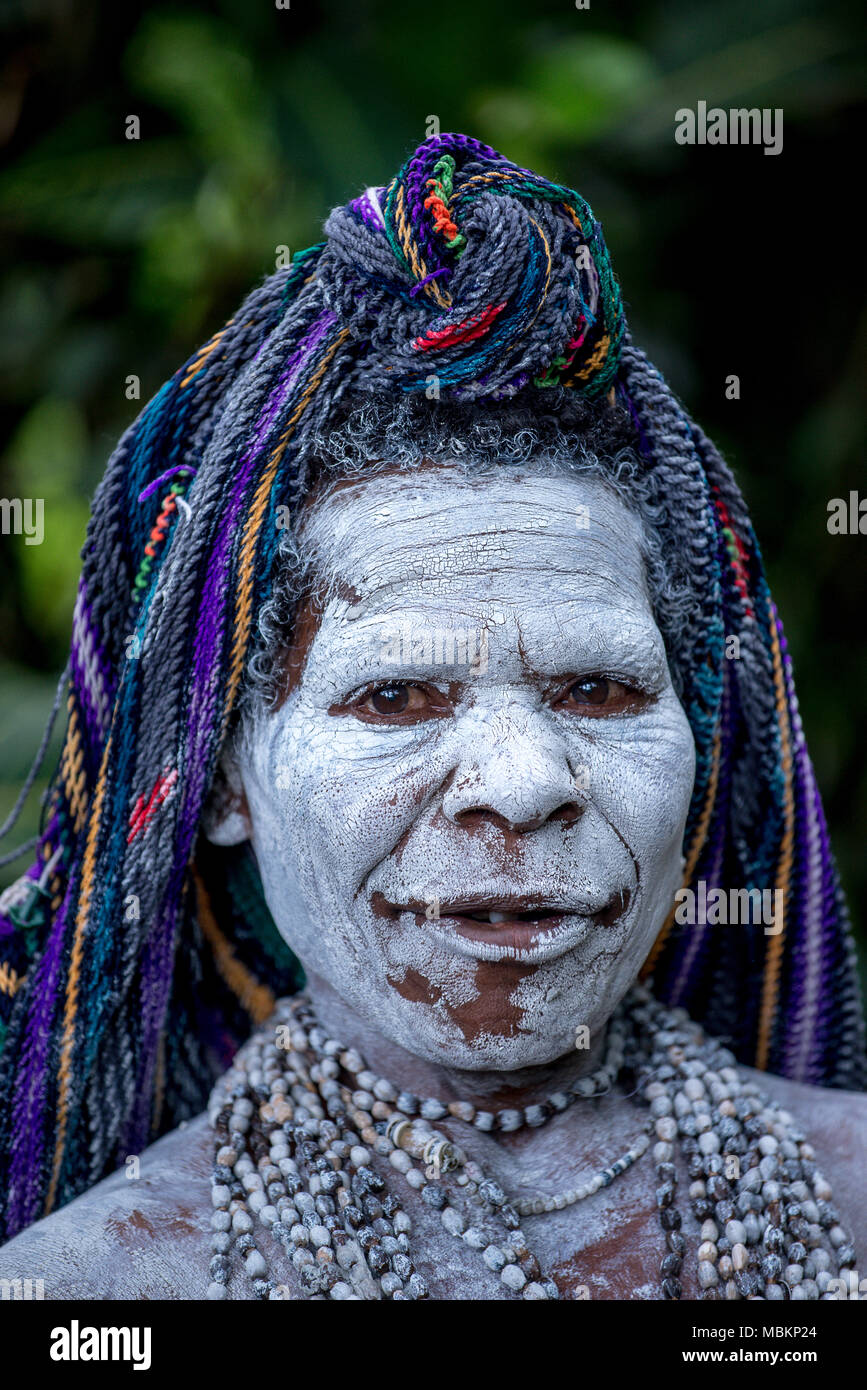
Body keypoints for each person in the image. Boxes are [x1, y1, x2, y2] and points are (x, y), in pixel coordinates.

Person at [0, 134, 863, 1301]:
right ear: (223, 783)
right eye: (395, 695)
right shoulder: (89, 1292)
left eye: (598, 689)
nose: (520, 781)